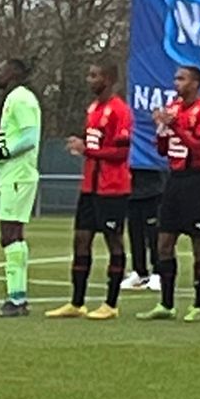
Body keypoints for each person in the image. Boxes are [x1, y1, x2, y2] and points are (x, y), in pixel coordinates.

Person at [51, 56, 133, 320]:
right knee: (81, 241)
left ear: (107, 79)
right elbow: (94, 145)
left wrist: (87, 150)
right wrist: (82, 144)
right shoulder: (93, 108)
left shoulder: (119, 110)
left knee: (114, 242)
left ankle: (111, 304)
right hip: (90, 187)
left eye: (94, 75)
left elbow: (121, 153)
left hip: (112, 188)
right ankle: (77, 302)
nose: (90, 80)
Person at [139, 64, 200, 322]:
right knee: (164, 242)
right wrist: (161, 128)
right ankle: (166, 303)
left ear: (195, 83)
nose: (176, 83)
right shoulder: (172, 108)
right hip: (174, 179)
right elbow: (163, 149)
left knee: (198, 242)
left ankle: (198, 304)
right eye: (175, 78)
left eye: (182, 79)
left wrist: (177, 127)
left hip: (196, 180)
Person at [0, 57, 42, 317]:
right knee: (12, 234)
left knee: (10, 234)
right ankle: (17, 297)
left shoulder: (21, 98)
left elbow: (29, 138)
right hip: (12, 174)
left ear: (13, 74)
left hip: (18, 175)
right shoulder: (15, 98)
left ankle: (16, 299)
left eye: (1, 70)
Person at [123, 167, 162, 292]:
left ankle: (158, 272)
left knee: (154, 235)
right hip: (132, 191)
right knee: (135, 234)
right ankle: (139, 272)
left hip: (153, 191)